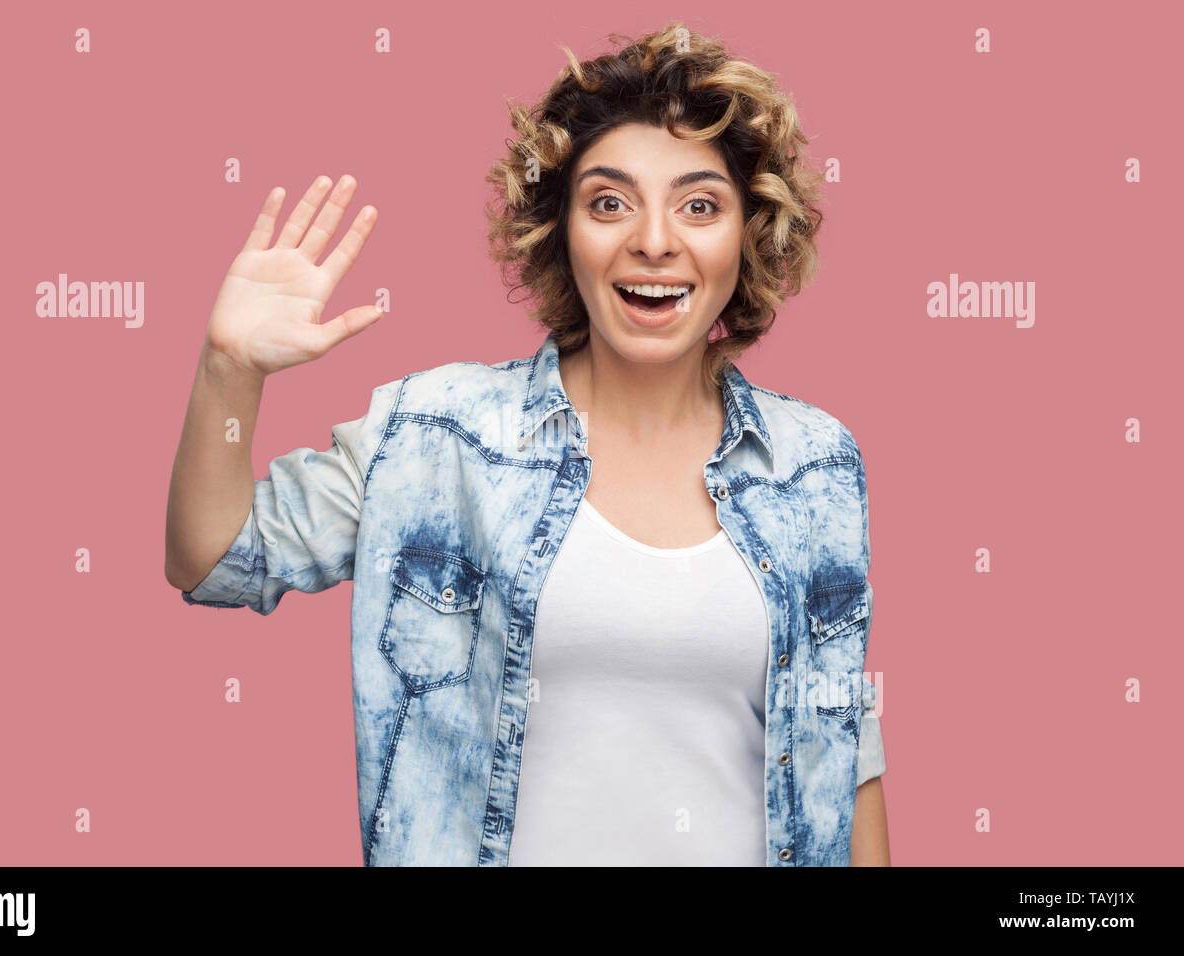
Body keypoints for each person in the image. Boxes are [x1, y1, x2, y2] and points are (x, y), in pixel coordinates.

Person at [165, 21, 890, 866]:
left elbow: (843, 742)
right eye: (609, 202)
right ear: (561, 232)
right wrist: (229, 371)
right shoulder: (436, 435)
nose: (654, 241)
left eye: (700, 204)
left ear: (748, 234)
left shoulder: (817, 462)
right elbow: (213, 561)